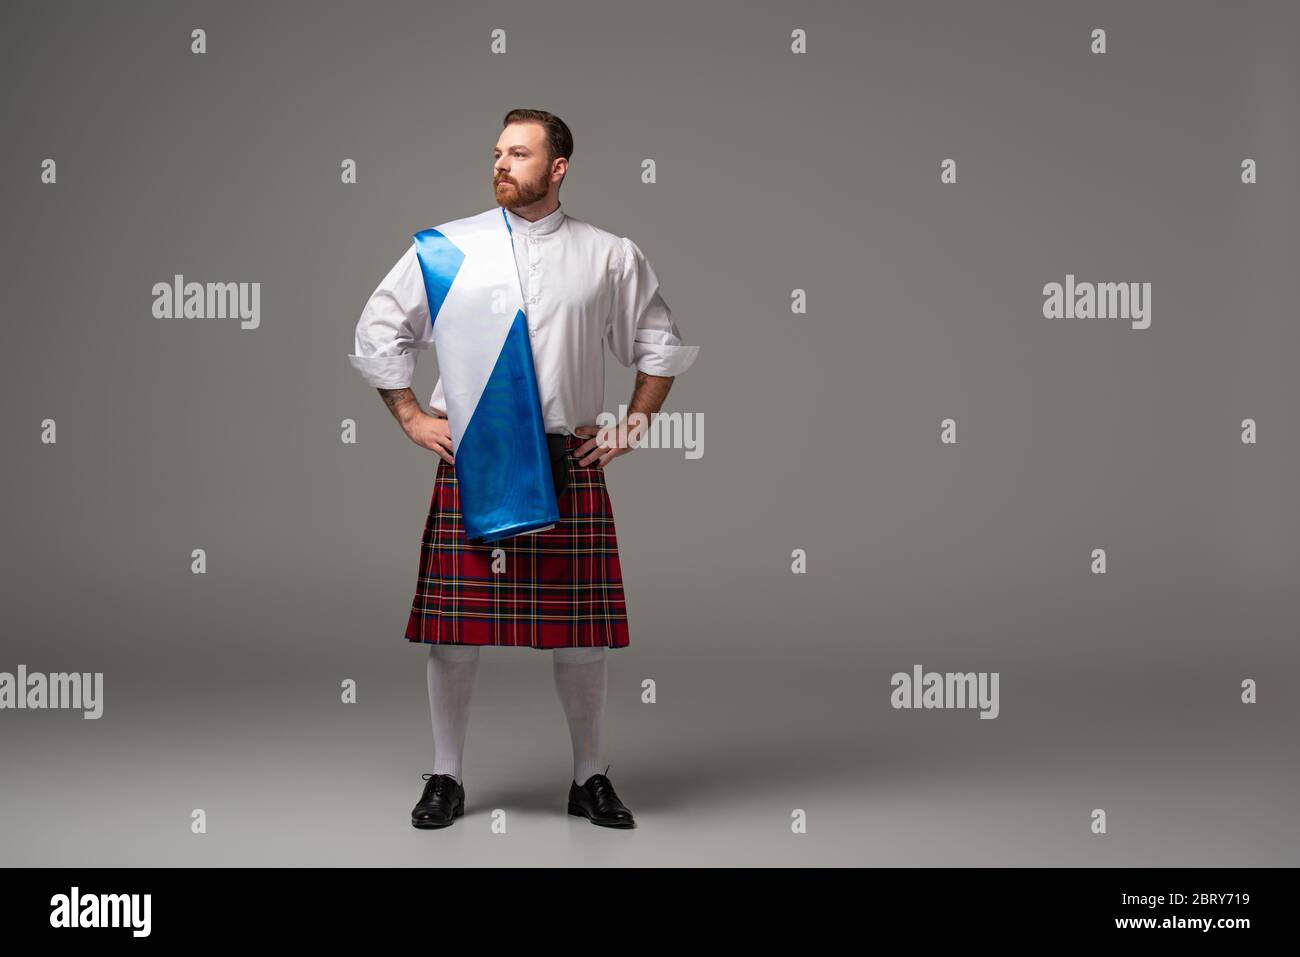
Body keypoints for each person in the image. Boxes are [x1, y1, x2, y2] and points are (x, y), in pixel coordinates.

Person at [347, 108, 699, 829]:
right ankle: (445, 776)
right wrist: (413, 415)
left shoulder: (608, 254)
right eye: (497, 153)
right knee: (454, 633)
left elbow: (659, 343)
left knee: (580, 634)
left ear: (558, 167)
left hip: (564, 455)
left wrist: (634, 422)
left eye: (519, 153)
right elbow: (379, 330)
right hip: (477, 455)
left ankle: (589, 777)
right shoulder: (447, 248)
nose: (501, 164)